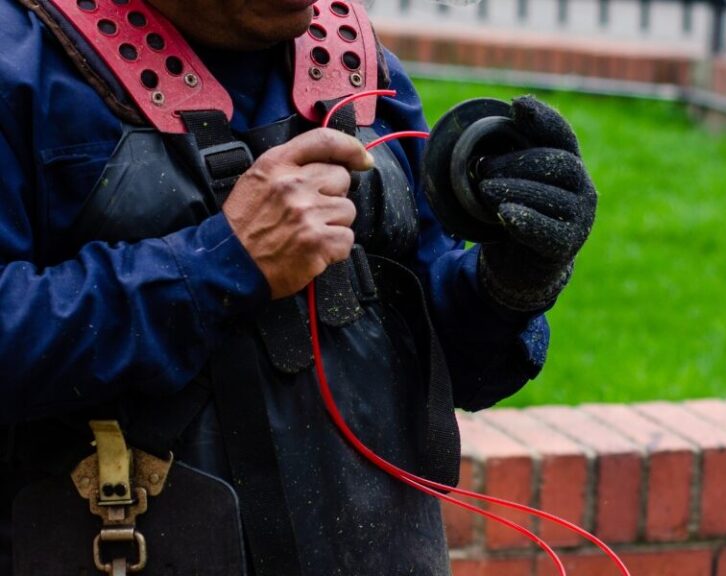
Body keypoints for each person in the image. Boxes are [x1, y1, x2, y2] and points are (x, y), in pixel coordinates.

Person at [0, 0, 597, 574]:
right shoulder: (19, 60)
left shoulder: (352, 60)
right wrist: (218, 264)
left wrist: (507, 285)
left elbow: (448, 361)